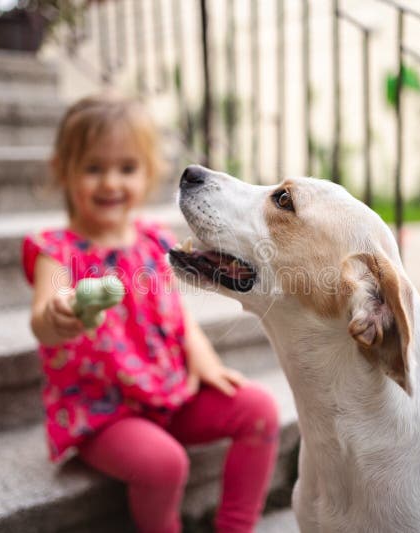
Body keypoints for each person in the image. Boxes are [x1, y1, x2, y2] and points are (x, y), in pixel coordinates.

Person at [22, 92, 280, 533]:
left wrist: (203, 358)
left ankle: (235, 528)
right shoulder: (57, 251)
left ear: (146, 174)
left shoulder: (153, 239)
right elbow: (44, 318)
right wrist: (58, 316)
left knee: (260, 410)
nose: (110, 183)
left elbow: (175, 313)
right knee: (165, 465)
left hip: (168, 390)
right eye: (93, 168)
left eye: (126, 168)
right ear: (64, 172)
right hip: (105, 412)